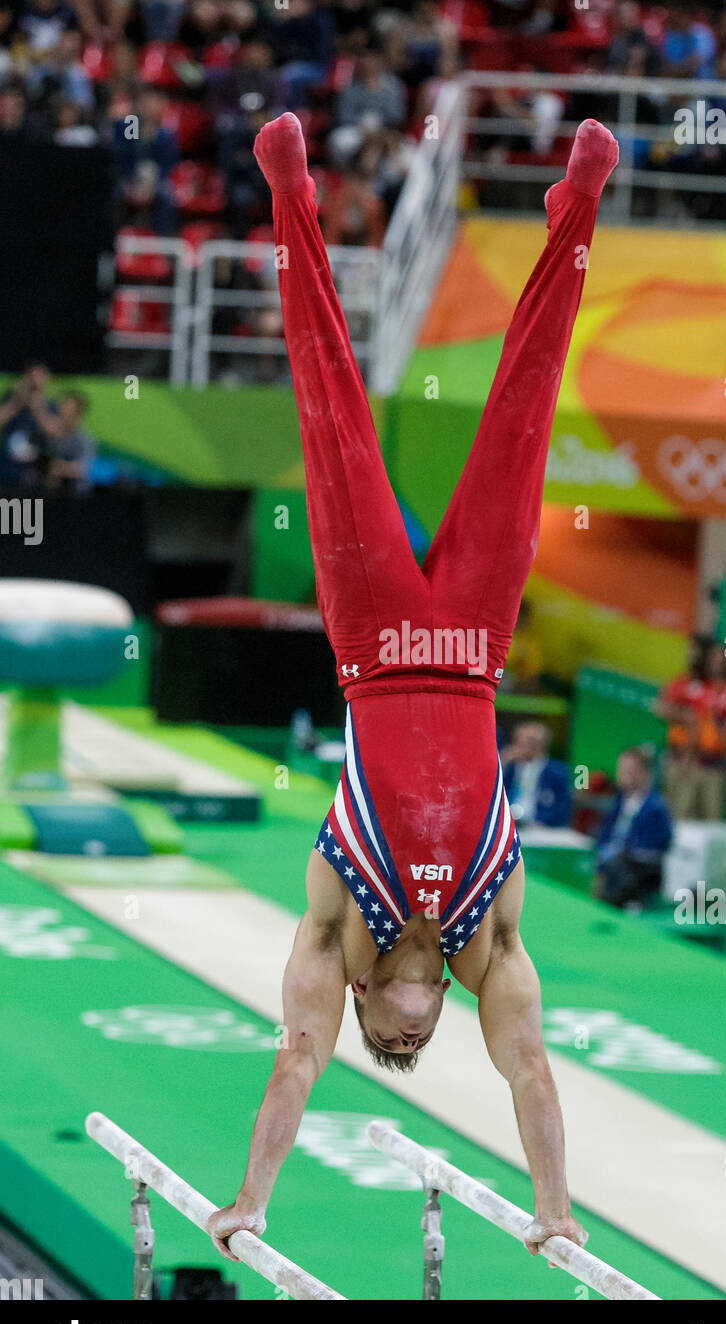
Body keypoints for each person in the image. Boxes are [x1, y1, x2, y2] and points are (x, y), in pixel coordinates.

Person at [206, 110, 619, 1262]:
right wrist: (555, 1205)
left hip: (374, 637)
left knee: (326, 403)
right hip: (477, 646)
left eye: (406, 1014)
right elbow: (529, 1068)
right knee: (523, 412)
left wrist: (254, 1198)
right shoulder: (493, 942)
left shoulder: (332, 926)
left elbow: (295, 1061)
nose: (421, 1001)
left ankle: (286, 176)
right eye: (430, 1014)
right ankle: (578, 201)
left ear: (372, 1009)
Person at [657, 640, 726, 821]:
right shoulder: (692, 684)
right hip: (683, 761)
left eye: (724, 658)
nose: (719, 662)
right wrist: (686, 715)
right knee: (676, 816)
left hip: (715, 765)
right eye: (715, 657)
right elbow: (660, 707)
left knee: (711, 820)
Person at [594, 747, 672, 910]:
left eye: (630, 771)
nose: (623, 776)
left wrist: (619, 852)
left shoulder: (656, 807)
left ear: (645, 773)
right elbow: (604, 833)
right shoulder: (618, 801)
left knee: (616, 863)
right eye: (621, 770)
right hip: (613, 863)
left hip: (637, 871)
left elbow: (654, 847)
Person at [501, 720, 572, 828]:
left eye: (527, 742)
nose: (519, 746)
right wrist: (502, 762)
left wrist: (544, 824)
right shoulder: (508, 767)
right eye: (518, 741)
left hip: (541, 828)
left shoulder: (558, 771)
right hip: (507, 824)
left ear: (540, 745)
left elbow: (563, 806)